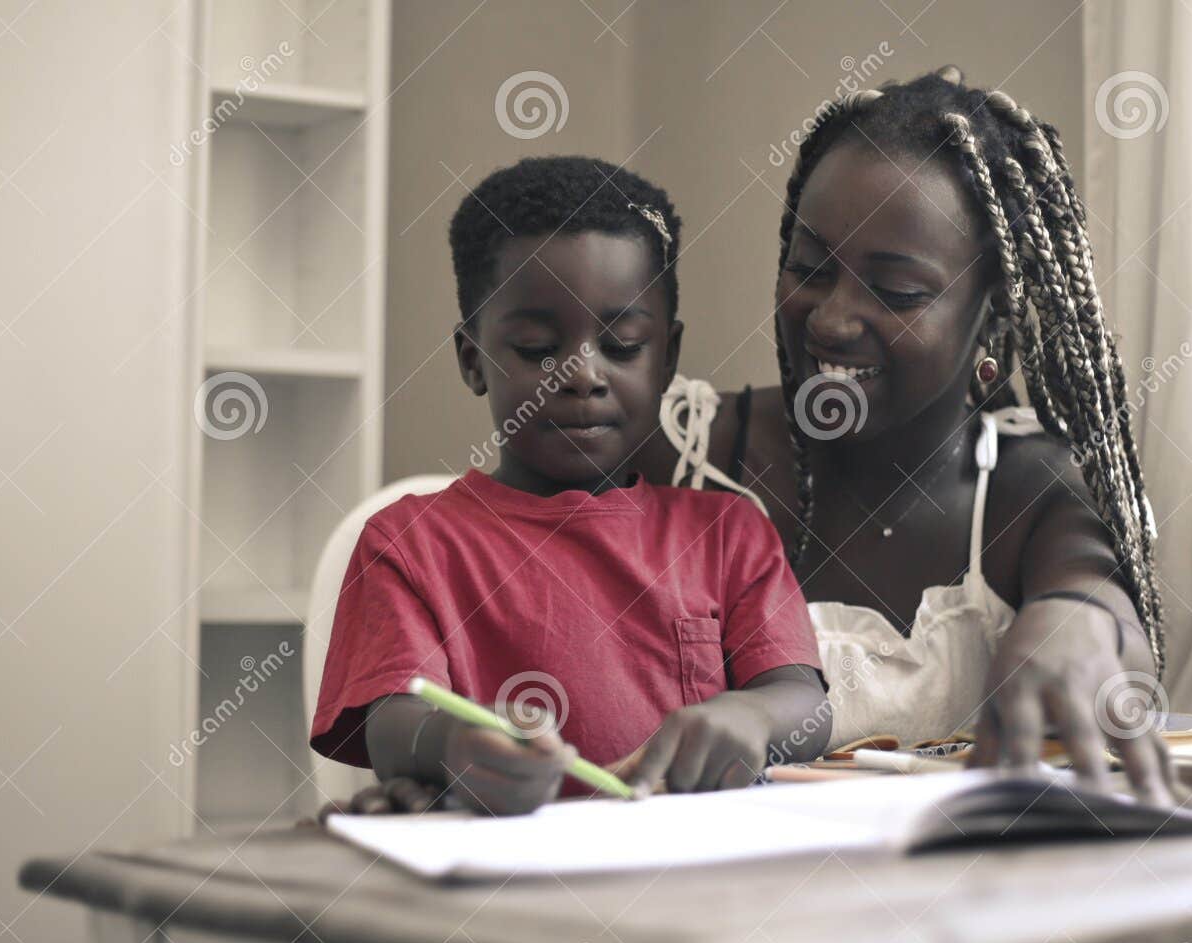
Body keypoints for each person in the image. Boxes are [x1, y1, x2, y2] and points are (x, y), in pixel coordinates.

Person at [640, 67, 1173, 803]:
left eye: (897, 293)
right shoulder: (682, 453)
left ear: (989, 318)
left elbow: (1104, 607)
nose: (830, 318)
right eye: (810, 268)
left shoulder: (1023, 486)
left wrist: (1076, 624)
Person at [310, 157, 829, 817]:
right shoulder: (409, 542)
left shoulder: (728, 533)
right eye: (535, 349)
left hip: (695, 882)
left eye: (623, 344)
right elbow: (391, 719)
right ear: (474, 360)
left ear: (667, 357)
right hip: (506, 892)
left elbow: (802, 697)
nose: (582, 375)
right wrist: (454, 742)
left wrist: (751, 714)